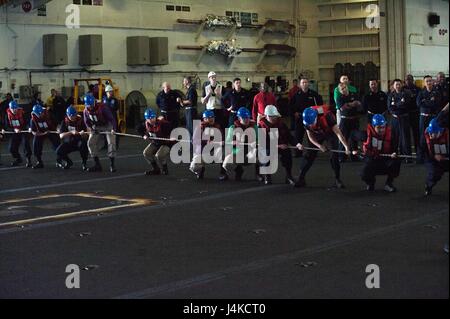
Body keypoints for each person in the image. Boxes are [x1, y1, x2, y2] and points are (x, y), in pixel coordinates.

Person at [297, 105, 351, 189]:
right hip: (316, 133)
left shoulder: (328, 116)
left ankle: (337, 179)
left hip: (329, 132)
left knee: (334, 155)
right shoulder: (306, 120)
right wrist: (319, 146)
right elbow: (310, 137)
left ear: (316, 118)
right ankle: (301, 178)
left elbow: (338, 133)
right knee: (309, 155)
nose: (310, 126)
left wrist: (346, 147)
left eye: (312, 123)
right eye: (309, 125)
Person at [258, 105, 303, 186]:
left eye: (275, 116)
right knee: (266, 155)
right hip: (268, 146)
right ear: (267, 116)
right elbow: (263, 142)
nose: (274, 118)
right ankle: (267, 176)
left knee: (287, 155)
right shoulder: (261, 125)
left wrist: (297, 144)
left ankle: (288, 176)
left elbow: (289, 136)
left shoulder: (281, 123)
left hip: (281, 144)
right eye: (272, 117)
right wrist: (278, 146)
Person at [361, 114, 401, 193]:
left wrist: (394, 153)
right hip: (372, 161)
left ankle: (389, 184)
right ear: (373, 126)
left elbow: (395, 148)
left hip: (385, 161)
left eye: (383, 127)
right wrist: (354, 149)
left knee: (397, 161)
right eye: (378, 127)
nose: (381, 130)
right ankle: (370, 183)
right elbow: (353, 135)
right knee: (363, 173)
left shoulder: (391, 134)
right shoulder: (365, 134)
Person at [221, 107, 259, 182]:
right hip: (237, 151)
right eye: (244, 118)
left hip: (250, 150)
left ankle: (258, 174)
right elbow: (228, 141)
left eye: (248, 117)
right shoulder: (233, 127)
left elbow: (259, 140)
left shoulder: (254, 127)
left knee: (264, 154)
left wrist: (256, 143)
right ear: (239, 118)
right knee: (227, 162)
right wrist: (233, 142)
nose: (247, 120)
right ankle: (238, 170)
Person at [83, 95, 117, 173]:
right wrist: (91, 129)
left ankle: (112, 164)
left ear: (94, 102)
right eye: (88, 105)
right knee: (90, 143)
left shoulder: (103, 107)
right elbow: (86, 122)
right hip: (96, 126)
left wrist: (113, 129)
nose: (90, 107)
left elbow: (111, 118)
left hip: (107, 125)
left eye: (91, 105)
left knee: (111, 143)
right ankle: (97, 164)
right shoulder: (86, 110)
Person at [290, 77, 323, 157]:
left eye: (306, 82)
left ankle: (312, 153)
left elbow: (320, 106)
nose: (304, 84)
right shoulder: (296, 95)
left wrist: (318, 116)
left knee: (311, 137)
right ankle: (298, 152)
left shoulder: (314, 94)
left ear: (308, 84)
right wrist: (294, 113)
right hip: (300, 119)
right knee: (298, 136)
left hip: (311, 120)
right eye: (303, 83)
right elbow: (290, 106)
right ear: (300, 85)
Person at [190, 110, 224, 180]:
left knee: (224, 153)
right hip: (201, 152)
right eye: (209, 117)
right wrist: (206, 141)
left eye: (212, 117)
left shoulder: (217, 127)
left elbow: (221, 139)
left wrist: (219, 142)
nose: (211, 119)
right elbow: (194, 141)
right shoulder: (200, 128)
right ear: (204, 119)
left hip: (212, 152)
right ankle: (200, 169)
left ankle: (223, 173)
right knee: (194, 167)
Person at [138, 108, 173, 176]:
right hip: (156, 143)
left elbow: (172, 129)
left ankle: (164, 168)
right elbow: (138, 128)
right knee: (146, 153)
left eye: (153, 117)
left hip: (166, 143)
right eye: (149, 118)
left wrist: (172, 137)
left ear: (155, 116)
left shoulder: (162, 123)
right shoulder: (146, 124)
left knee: (159, 155)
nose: (152, 120)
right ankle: (156, 169)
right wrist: (143, 135)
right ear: (146, 119)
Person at [416, 75, 442, 164]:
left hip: (433, 118)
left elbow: (436, 104)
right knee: (422, 137)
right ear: (424, 82)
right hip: (423, 117)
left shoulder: (437, 92)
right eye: (427, 81)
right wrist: (430, 101)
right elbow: (419, 103)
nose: (429, 83)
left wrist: (425, 101)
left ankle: (433, 156)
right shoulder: (421, 92)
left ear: (433, 82)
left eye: (430, 81)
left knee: (434, 137)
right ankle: (422, 157)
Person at [56, 106, 89, 171]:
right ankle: (69, 162)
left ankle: (84, 163)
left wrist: (84, 134)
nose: (73, 117)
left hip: (79, 141)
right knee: (58, 151)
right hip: (69, 142)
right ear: (67, 115)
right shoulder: (65, 121)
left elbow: (87, 133)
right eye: (71, 116)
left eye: (74, 115)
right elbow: (61, 135)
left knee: (83, 145)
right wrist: (71, 132)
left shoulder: (81, 120)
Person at [336, 83, 363, 162]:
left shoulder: (354, 94)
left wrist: (348, 104)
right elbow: (343, 108)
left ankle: (354, 156)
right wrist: (352, 104)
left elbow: (359, 104)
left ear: (347, 87)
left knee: (354, 139)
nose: (344, 90)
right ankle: (341, 156)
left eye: (344, 88)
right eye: (342, 89)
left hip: (354, 120)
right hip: (345, 120)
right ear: (340, 91)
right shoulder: (339, 98)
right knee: (343, 138)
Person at [423, 118, 448, 196]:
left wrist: (443, 157)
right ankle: (428, 186)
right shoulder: (426, 134)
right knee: (434, 174)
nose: (430, 135)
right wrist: (434, 156)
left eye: (432, 133)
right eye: (430, 133)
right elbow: (422, 150)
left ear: (439, 132)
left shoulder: (447, 134)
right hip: (432, 159)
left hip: (446, 158)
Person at [388, 79, 412, 159]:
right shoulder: (391, 95)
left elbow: (406, 106)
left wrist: (396, 105)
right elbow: (390, 108)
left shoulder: (406, 94)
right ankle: (394, 155)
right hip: (394, 119)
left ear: (401, 85)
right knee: (394, 137)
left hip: (404, 118)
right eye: (396, 85)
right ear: (393, 86)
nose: (398, 86)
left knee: (405, 138)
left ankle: (407, 156)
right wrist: (400, 104)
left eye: (399, 84)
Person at [29, 104, 60, 169]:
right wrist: (43, 133)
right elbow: (34, 132)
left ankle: (59, 160)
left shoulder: (49, 114)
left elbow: (57, 122)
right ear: (35, 113)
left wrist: (58, 129)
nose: (42, 114)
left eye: (42, 112)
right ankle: (39, 161)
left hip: (51, 130)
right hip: (41, 132)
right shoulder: (33, 119)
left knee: (57, 144)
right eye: (40, 113)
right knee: (36, 144)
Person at [4, 100, 32, 167]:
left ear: (18, 107)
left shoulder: (22, 113)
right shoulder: (7, 115)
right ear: (10, 108)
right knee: (11, 148)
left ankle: (28, 160)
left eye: (15, 108)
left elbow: (28, 121)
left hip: (23, 131)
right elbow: (7, 126)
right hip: (15, 132)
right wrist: (14, 129)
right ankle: (18, 158)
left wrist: (29, 127)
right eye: (12, 109)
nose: (14, 110)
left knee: (26, 144)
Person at [404, 75, 421, 162]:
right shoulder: (402, 89)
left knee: (417, 135)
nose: (408, 81)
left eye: (409, 79)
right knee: (406, 136)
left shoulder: (418, 89)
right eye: (406, 79)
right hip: (405, 115)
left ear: (412, 80)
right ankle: (408, 156)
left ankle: (419, 155)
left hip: (415, 114)